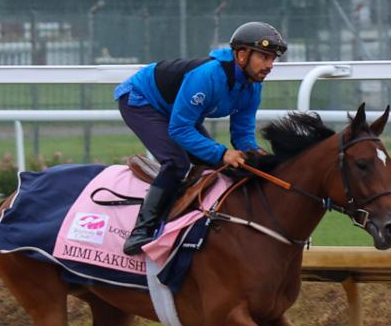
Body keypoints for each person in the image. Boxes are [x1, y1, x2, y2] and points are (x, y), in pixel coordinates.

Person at [112, 21, 287, 255]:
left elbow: (243, 135)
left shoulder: (253, 86)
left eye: (273, 59)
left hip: (177, 112)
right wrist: (222, 153)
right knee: (177, 162)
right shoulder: (208, 76)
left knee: (226, 164)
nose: (270, 65)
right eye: (264, 57)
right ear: (242, 55)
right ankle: (141, 231)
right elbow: (179, 129)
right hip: (142, 100)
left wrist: (257, 156)